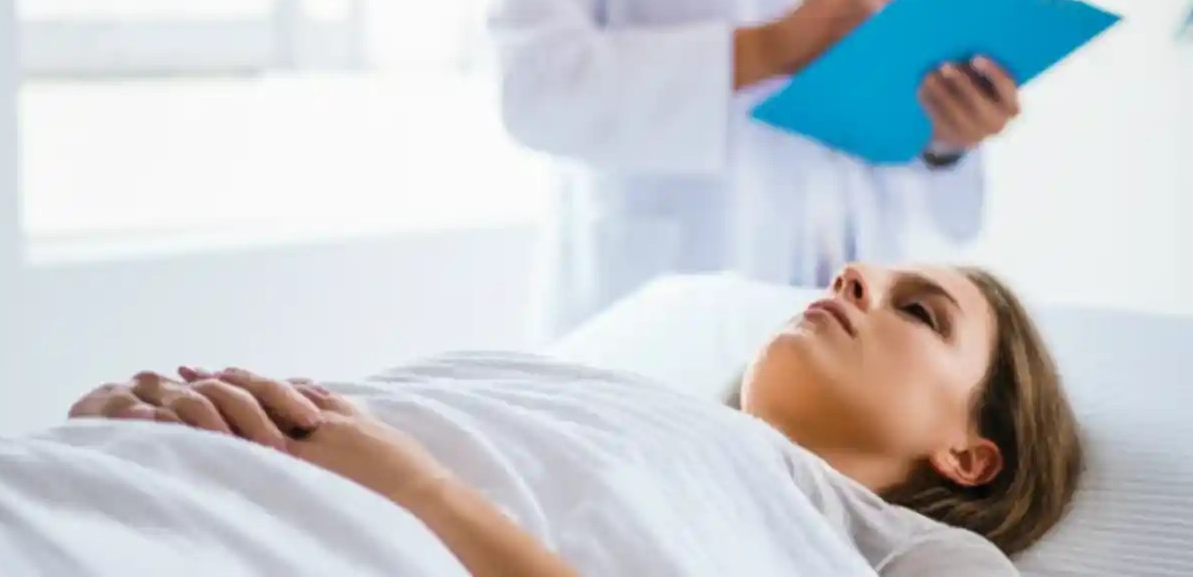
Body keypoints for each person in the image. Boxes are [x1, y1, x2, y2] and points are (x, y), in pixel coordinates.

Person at [61, 263, 1081, 575]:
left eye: (918, 310)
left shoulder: (904, 552)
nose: (854, 274)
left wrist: (418, 491)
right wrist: (133, 429)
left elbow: (398, 472)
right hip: (102, 504)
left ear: (967, 453)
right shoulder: (579, 389)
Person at [489, 0, 1023, 339]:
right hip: (664, 303)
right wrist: (769, 48)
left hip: (842, 290)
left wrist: (945, 134)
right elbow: (534, 86)